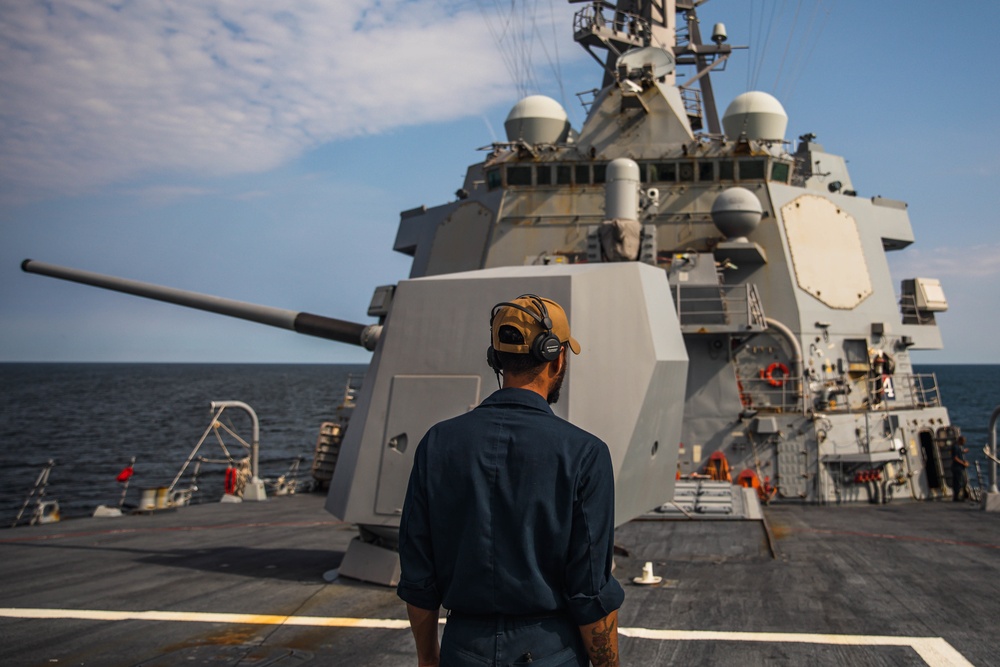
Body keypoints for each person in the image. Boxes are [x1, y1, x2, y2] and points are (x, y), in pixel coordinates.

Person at [397, 294, 624, 666]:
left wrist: (428, 659)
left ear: (496, 359)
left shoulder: (437, 443)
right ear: (558, 356)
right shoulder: (585, 453)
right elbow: (590, 593)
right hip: (551, 651)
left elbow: (418, 577)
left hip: (463, 649)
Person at [951, 436, 970, 502]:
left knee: (963, 481)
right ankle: (957, 496)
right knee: (958, 482)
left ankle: (962, 495)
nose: (964, 443)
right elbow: (955, 458)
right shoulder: (956, 447)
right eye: (963, 441)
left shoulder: (958, 447)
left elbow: (958, 454)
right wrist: (963, 463)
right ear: (960, 441)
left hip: (959, 467)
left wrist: (963, 452)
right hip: (957, 468)